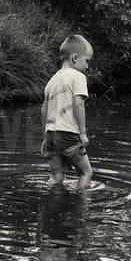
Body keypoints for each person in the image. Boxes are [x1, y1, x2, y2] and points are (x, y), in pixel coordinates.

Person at [40, 34, 95, 190]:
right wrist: (82, 133)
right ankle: (81, 203)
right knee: (86, 173)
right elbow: (78, 104)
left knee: (57, 177)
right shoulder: (78, 77)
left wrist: (45, 136)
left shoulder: (52, 80)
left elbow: (44, 111)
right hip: (67, 135)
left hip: (50, 136)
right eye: (87, 61)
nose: (87, 66)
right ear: (75, 58)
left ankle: (48, 196)